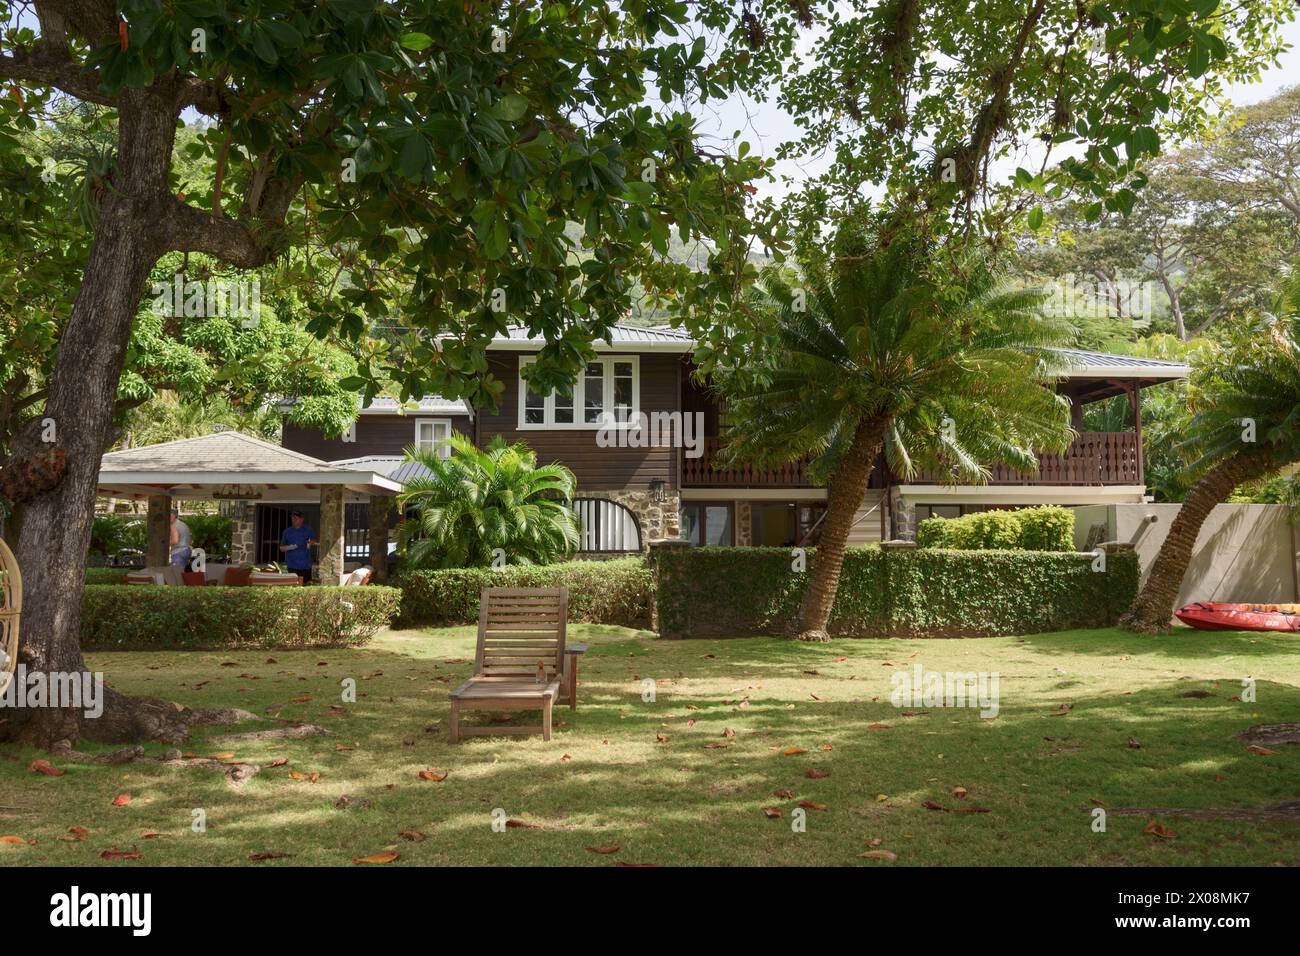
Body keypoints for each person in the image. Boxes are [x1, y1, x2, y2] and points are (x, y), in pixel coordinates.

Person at [279, 511, 318, 584]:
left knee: (306, 586)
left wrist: (310, 542)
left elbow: (314, 539)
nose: (293, 520)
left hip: (305, 565)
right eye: (292, 518)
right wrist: (289, 547)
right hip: (292, 565)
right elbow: (281, 548)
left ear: (301, 519)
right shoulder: (287, 531)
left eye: (295, 518)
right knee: (293, 586)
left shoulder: (307, 529)